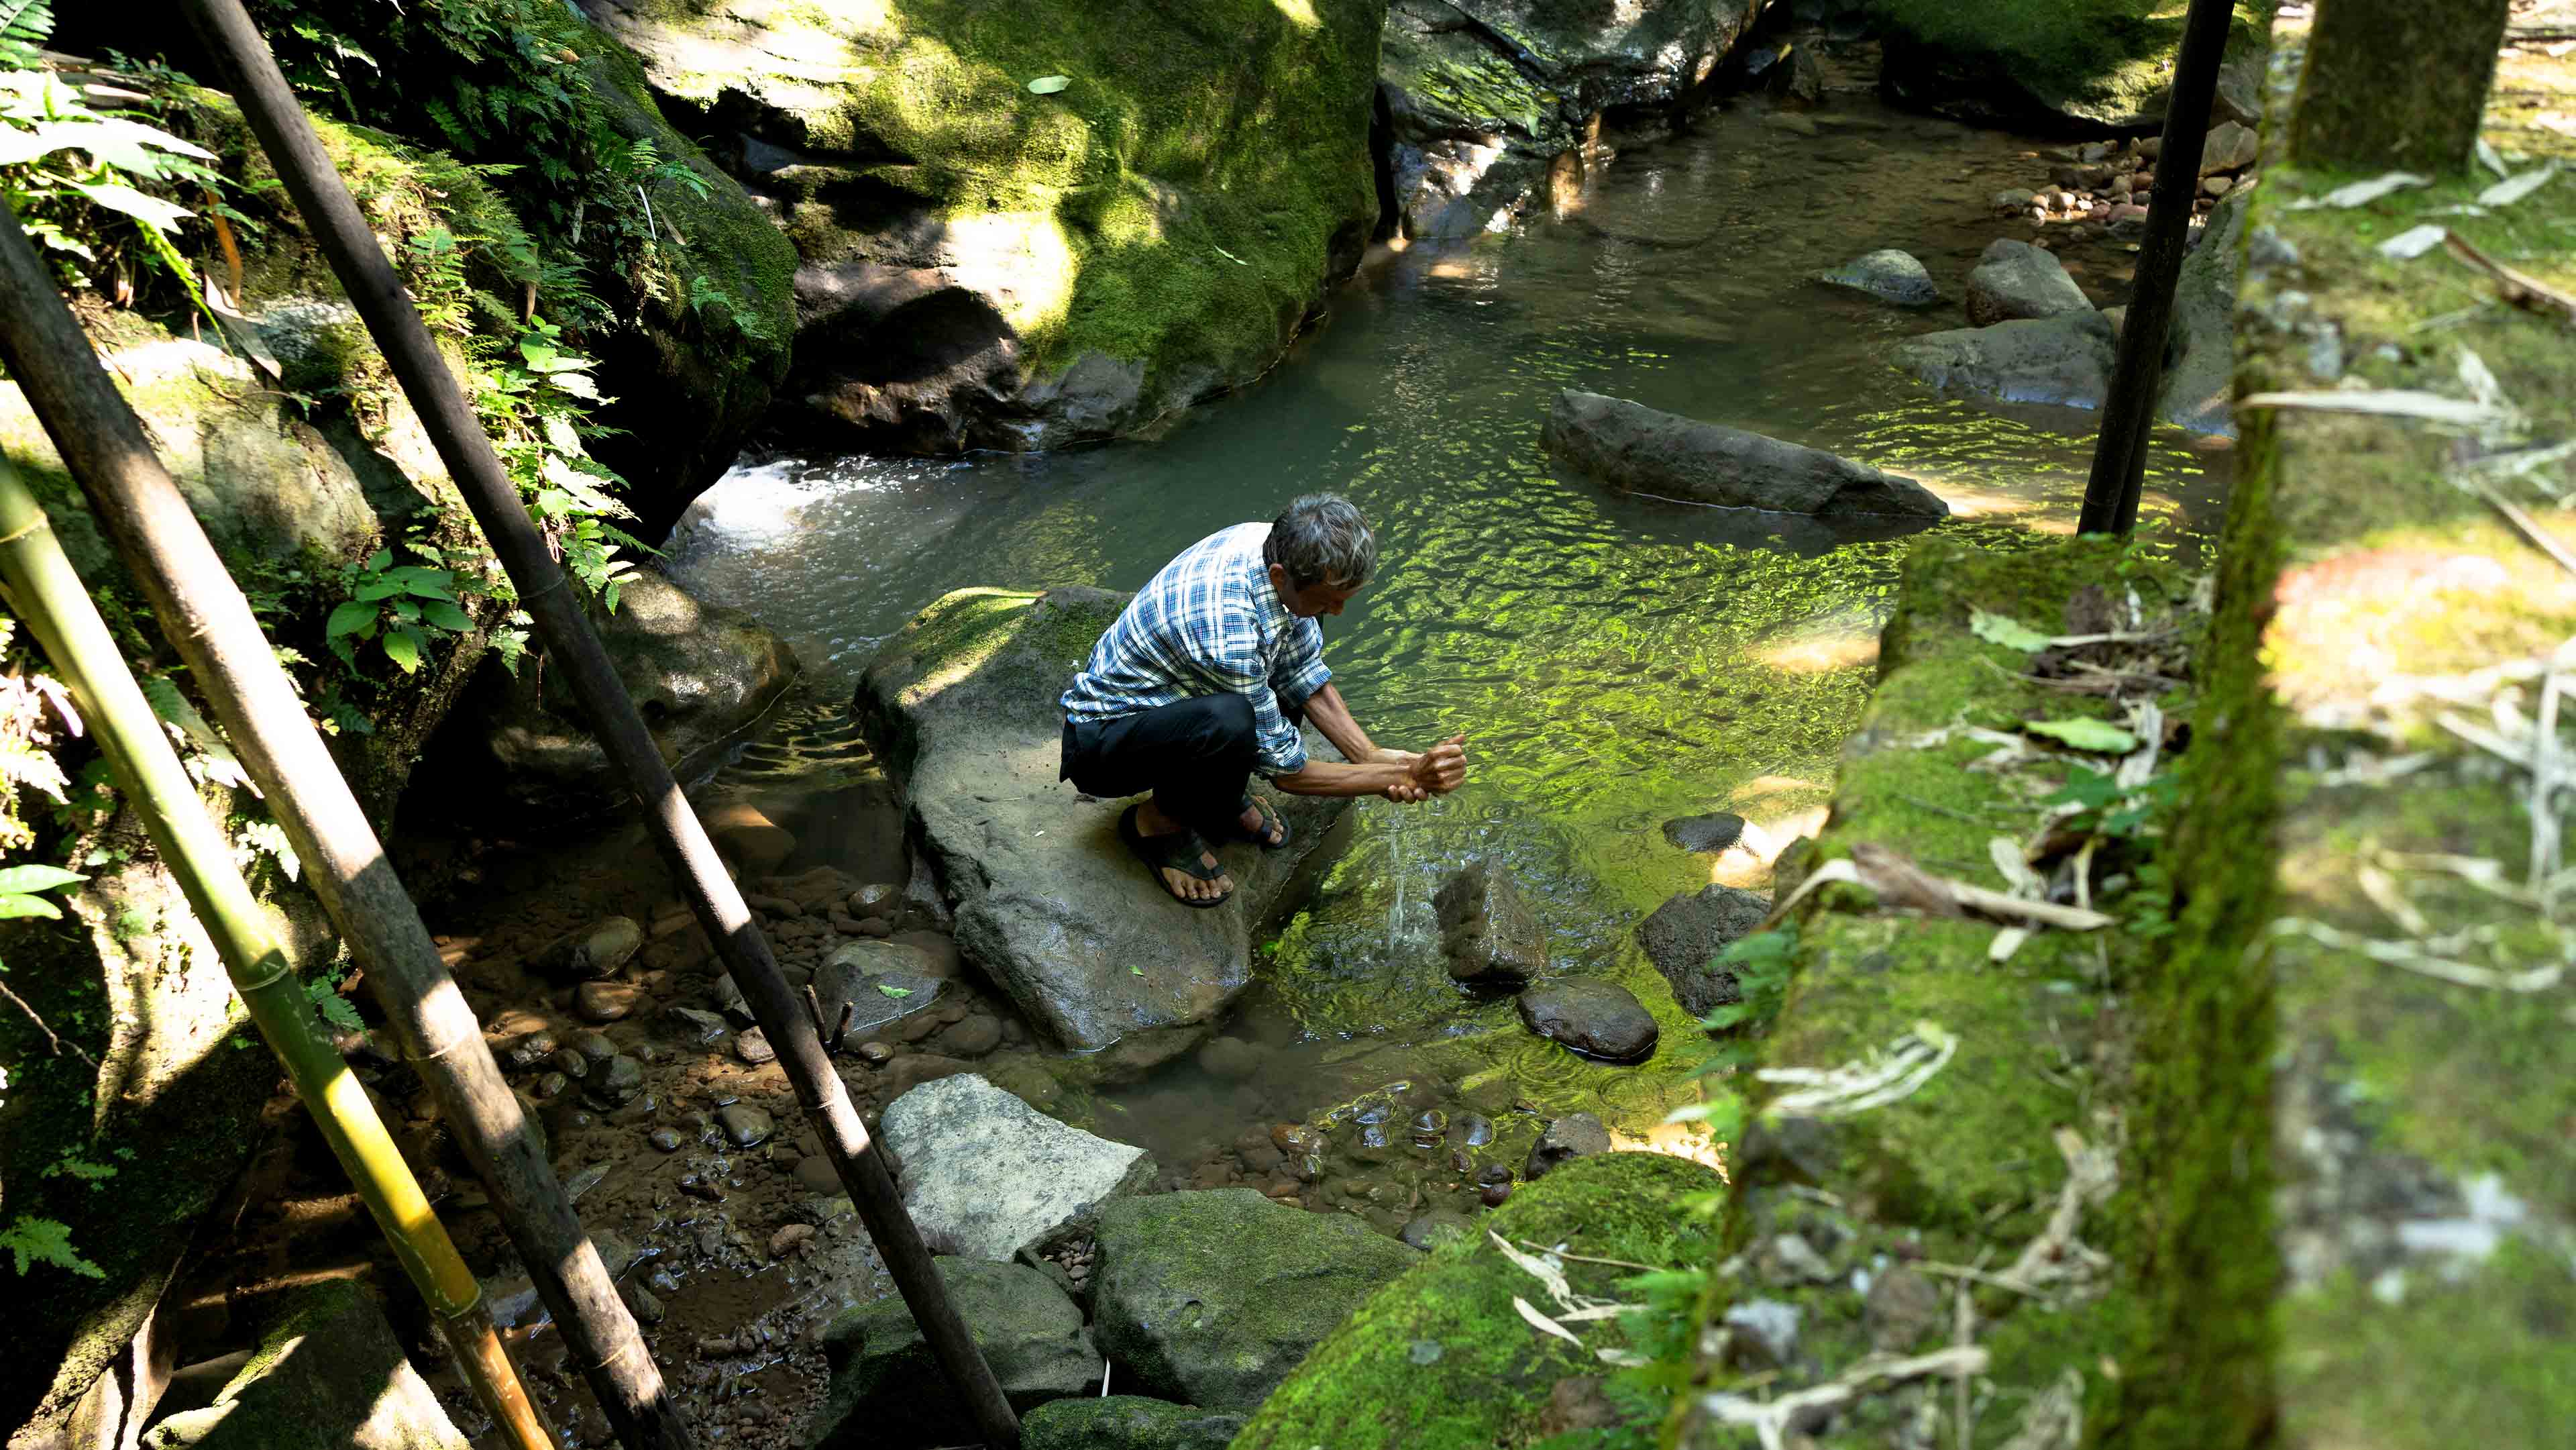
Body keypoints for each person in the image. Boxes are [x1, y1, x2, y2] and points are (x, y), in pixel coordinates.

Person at [1059, 494, 1468, 908]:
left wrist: (1372, 755)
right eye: (1331, 599)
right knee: (1230, 719)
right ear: (1279, 576)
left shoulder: (1279, 547)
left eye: (1346, 595)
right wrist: (1402, 777)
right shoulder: (1229, 633)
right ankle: (1157, 824)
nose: (1340, 611)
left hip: (1181, 701)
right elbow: (1289, 775)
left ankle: (1218, 798)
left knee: (1256, 691)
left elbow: (1300, 670)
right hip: (1103, 745)